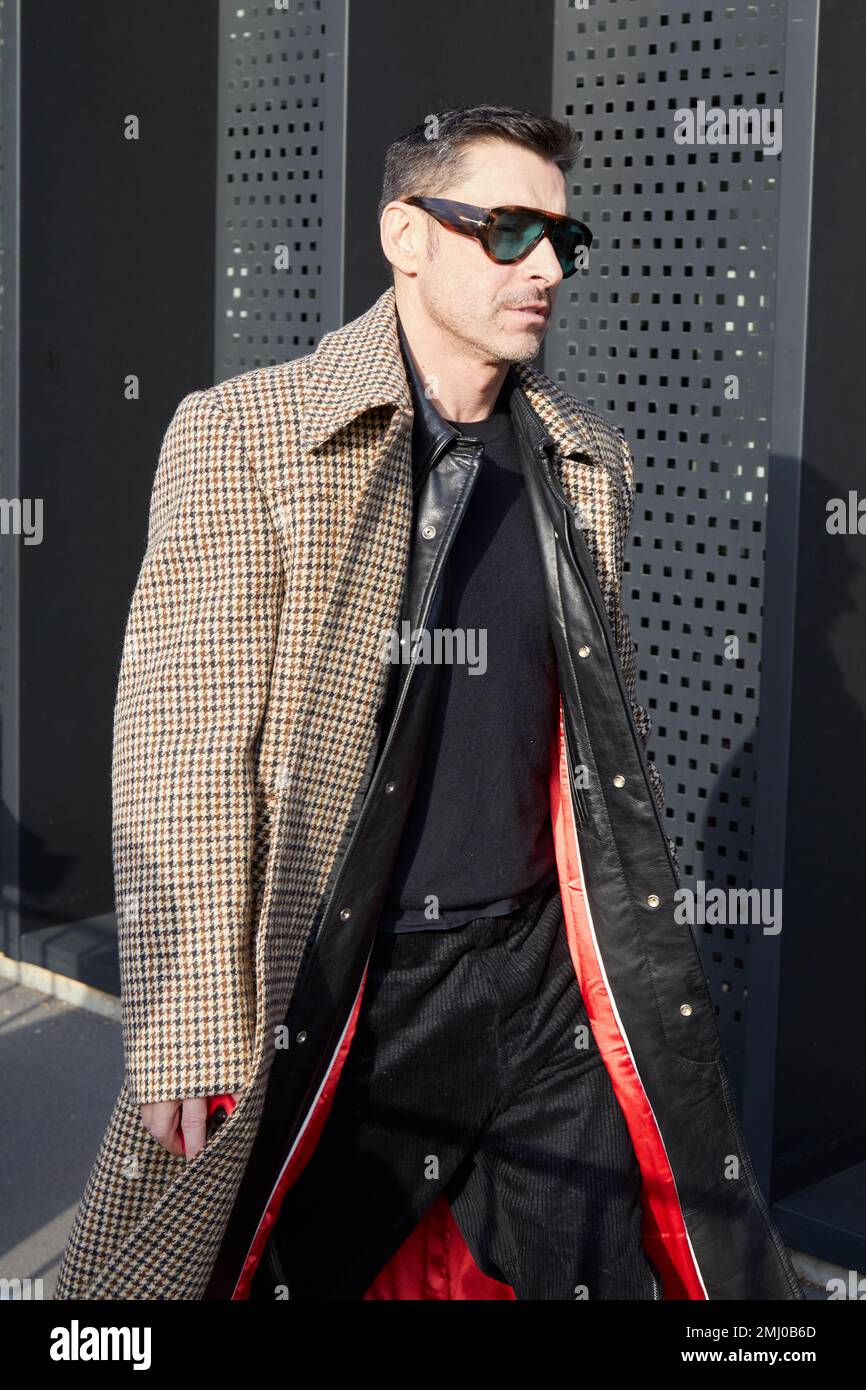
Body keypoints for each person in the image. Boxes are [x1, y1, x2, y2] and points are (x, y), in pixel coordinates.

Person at [55, 104, 804, 1302]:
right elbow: (182, 741)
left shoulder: (584, 458)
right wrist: (189, 1020)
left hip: (546, 976)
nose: (545, 266)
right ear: (405, 234)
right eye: (508, 230)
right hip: (349, 983)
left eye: (563, 236)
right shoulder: (247, 435)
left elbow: (585, 737)